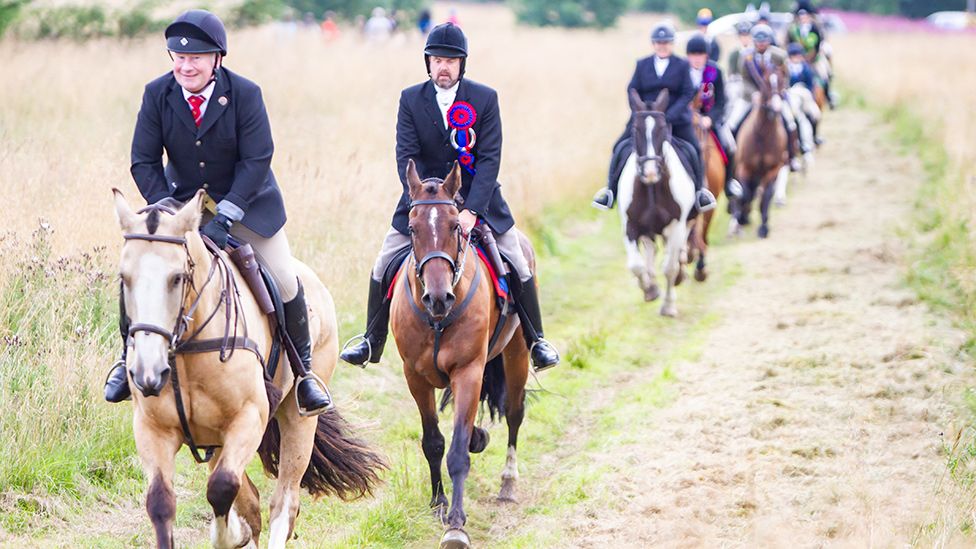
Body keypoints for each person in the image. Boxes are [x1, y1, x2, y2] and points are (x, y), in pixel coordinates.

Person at [103, 9, 333, 415]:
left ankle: (304, 374)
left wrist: (226, 215)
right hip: (181, 211)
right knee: (140, 273)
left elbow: (257, 159)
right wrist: (169, 209)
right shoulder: (157, 94)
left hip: (249, 208)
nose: (185, 66)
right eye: (179, 57)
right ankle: (126, 361)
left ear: (217, 59)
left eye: (195, 58)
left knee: (284, 278)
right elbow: (143, 160)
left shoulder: (245, 93)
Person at [339, 23, 560, 372]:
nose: (444, 67)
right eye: (438, 60)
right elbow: (406, 156)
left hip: (478, 201)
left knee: (517, 261)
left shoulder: (484, 99)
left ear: (462, 65)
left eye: (451, 61)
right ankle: (371, 340)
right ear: (428, 63)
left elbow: (489, 159)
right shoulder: (410, 99)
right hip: (424, 204)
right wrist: (420, 199)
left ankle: (536, 341)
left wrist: (472, 210)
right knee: (383, 262)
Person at [592, 22, 716, 212]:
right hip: (644, 118)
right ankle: (610, 191)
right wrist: (640, 112)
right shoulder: (642, 64)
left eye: (666, 42)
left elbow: (687, 92)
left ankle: (700, 193)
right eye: (659, 42)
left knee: (694, 149)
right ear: (653, 44)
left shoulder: (682, 65)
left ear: (672, 43)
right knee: (619, 147)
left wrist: (669, 116)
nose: (662, 46)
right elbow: (632, 89)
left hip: (675, 119)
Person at [732, 23, 804, 171]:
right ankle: (733, 155)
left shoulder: (779, 55)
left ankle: (792, 156)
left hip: (774, 95)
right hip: (752, 97)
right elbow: (744, 79)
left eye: (764, 41)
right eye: (758, 41)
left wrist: (778, 93)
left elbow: (785, 77)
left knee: (791, 121)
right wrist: (754, 94)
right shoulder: (746, 56)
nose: (761, 44)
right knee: (732, 123)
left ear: (769, 41)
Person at [687, 34, 742, 200]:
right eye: (693, 54)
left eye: (701, 54)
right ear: (688, 55)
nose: (697, 58)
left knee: (730, 145)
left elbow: (721, 101)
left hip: (710, 120)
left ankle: (729, 183)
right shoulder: (681, 70)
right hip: (686, 119)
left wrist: (710, 118)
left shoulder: (715, 72)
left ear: (707, 55)